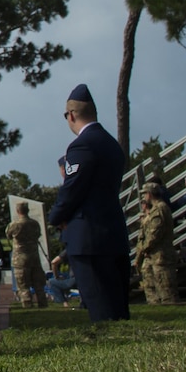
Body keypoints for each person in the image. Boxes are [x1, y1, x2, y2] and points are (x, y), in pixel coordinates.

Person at [47, 83, 131, 323]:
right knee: (118, 308)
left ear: (71, 115)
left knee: (100, 308)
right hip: (113, 232)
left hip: (88, 238)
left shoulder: (81, 145)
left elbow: (72, 189)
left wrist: (56, 217)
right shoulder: (111, 144)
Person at [134, 181, 178, 305]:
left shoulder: (160, 208)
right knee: (151, 286)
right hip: (153, 255)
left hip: (161, 255)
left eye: (145, 194)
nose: (144, 197)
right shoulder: (155, 210)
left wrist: (144, 248)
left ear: (150, 194)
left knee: (166, 289)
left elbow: (154, 234)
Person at [5, 202, 49, 308]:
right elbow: (38, 235)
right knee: (38, 283)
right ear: (27, 210)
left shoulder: (14, 225)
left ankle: (27, 303)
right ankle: (42, 302)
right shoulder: (35, 223)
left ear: (17, 211)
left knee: (23, 284)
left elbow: (8, 235)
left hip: (20, 258)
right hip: (34, 257)